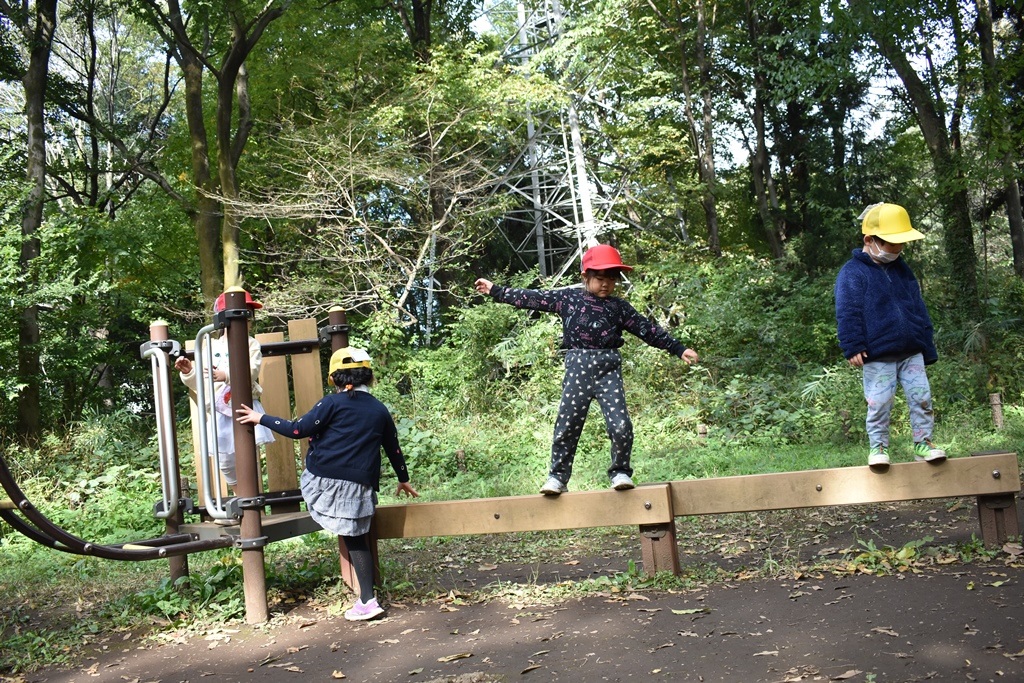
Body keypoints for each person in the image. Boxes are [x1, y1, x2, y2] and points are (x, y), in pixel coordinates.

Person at [475, 244, 699, 496]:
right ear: (585, 276)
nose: (606, 284)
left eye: (611, 279)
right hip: (578, 368)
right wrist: (496, 290)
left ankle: (620, 472)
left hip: (608, 370)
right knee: (567, 425)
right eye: (600, 278)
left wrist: (679, 349)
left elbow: (648, 329)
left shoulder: (619, 308)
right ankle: (557, 477)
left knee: (621, 426)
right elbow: (533, 298)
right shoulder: (568, 299)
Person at [236, 346, 419, 622]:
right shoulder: (379, 409)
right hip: (360, 485)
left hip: (326, 481)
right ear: (369, 378)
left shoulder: (331, 403)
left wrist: (261, 418)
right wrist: (403, 479)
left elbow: (298, 429)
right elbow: (393, 447)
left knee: (351, 534)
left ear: (335, 379)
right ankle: (367, 599)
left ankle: (368, 600)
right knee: (355, 539)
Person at [834, 202, 947, 469]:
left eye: (901, 245)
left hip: (911, 350)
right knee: (880, 402)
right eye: (891, 244)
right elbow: (847, 310)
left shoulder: (902, 269)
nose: (897, 250)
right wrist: (852, 345)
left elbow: (917, 306)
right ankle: (879, 448)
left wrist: (927, 346)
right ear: (869, 240)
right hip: (877, 352)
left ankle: (924, 443)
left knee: (922, 398)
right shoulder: (852, 272)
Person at [174, 290, 275, 504]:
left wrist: (226, 375)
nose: (246, 320)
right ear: (222, 320)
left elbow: (252, 371)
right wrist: (188, 372)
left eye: (249, 315)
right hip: (220, 411)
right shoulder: (210, 346)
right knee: (225, 460)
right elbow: (200, 384)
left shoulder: (251, 344)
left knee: (248, 455)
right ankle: (241, 497)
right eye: (240, 315)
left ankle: (250, 499)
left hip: (244, 407)